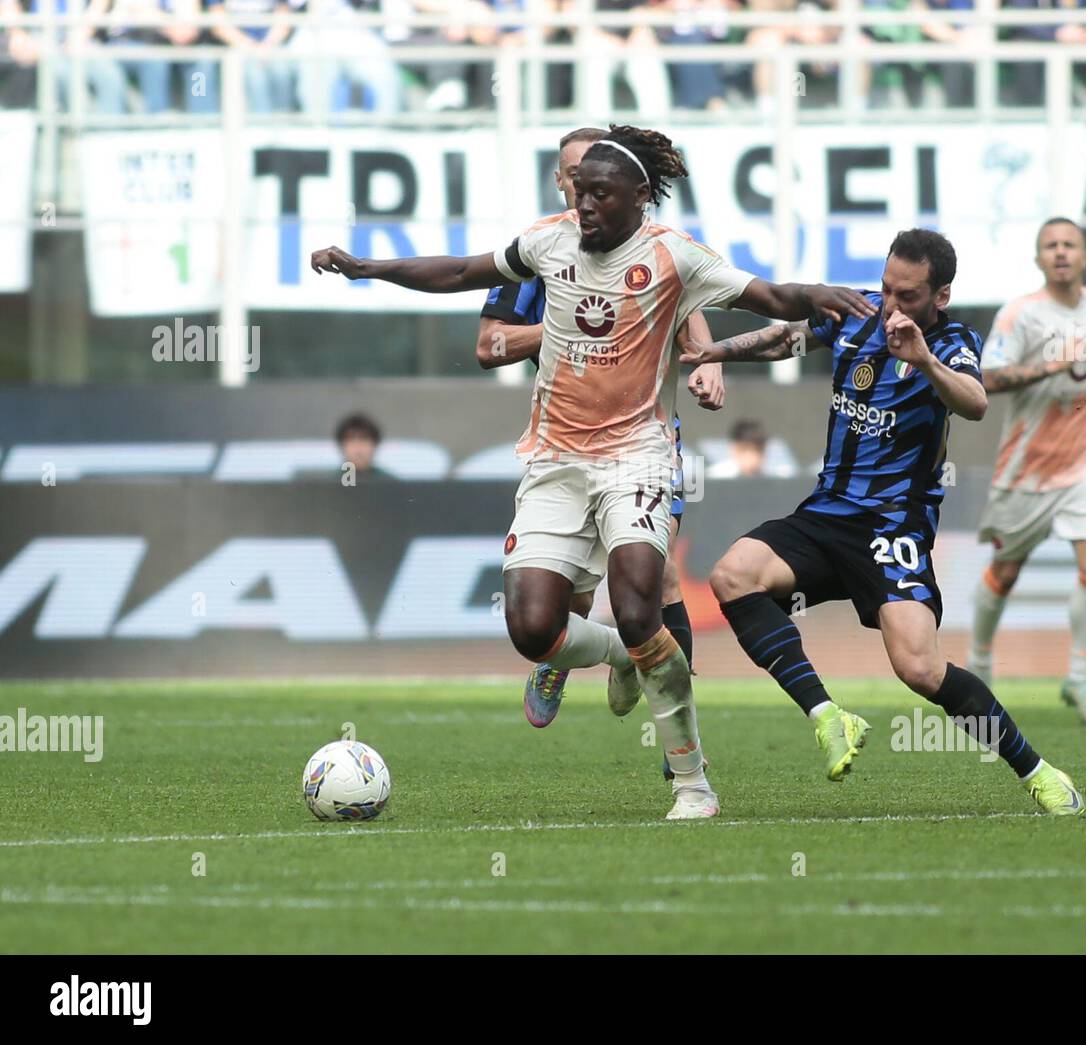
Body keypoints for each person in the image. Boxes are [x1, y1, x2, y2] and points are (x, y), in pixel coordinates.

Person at [312, 123, 869, 820]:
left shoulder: (673, 255)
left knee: (642, 604)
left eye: (602, 195)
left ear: (640, 198)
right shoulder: (548, 240)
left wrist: (815, 291)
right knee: (532, 628)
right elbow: (459, 272)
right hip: (552, 461)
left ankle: (693, 783)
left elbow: (768, 296)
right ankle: (624, 653)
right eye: (581, 194)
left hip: (635, 455)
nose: (588, 208)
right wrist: (368, 269)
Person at [681, 228, 1086, 815]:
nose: (892, 304)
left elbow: (974, 403)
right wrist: (718, 352)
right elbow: (786, 340)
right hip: (826, 516)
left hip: (892, 530)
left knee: (921, 670)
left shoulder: (951, 341)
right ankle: (828, 715)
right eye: (887, 288)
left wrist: (920, 356)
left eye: (909, 295)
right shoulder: (855, 312)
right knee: (732, 575)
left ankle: (1037, 771)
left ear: (940, 297)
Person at [473, 127, 725, 771]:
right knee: (564, 605)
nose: (581, 188)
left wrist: (707, 359)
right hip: (565, 439)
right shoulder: (542, 248)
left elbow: (686, 306)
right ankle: (582, 654)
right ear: (562, 182)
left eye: (594, 176)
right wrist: (564, 326)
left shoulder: (655, 250)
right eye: (571, 175)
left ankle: (679, 757)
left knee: (653, 581)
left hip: (643, 436)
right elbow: (488, 347)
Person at [968, 217, 1086, 726]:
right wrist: (1046, 367)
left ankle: (1080, 678)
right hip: (1028, 466)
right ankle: (978, 663)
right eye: (1050, 246)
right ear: (1039, 259)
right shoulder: (1019, 315)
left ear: (1084, 256)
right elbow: (986, 378)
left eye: (1070, 245)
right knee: (1006, 570)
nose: (1061, 252)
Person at [335, 412, 387, 478]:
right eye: (351, 439)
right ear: (342, 445)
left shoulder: (392, 485)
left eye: (364, 439)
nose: (358, 447)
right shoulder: (326, 484)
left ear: (375, 444)